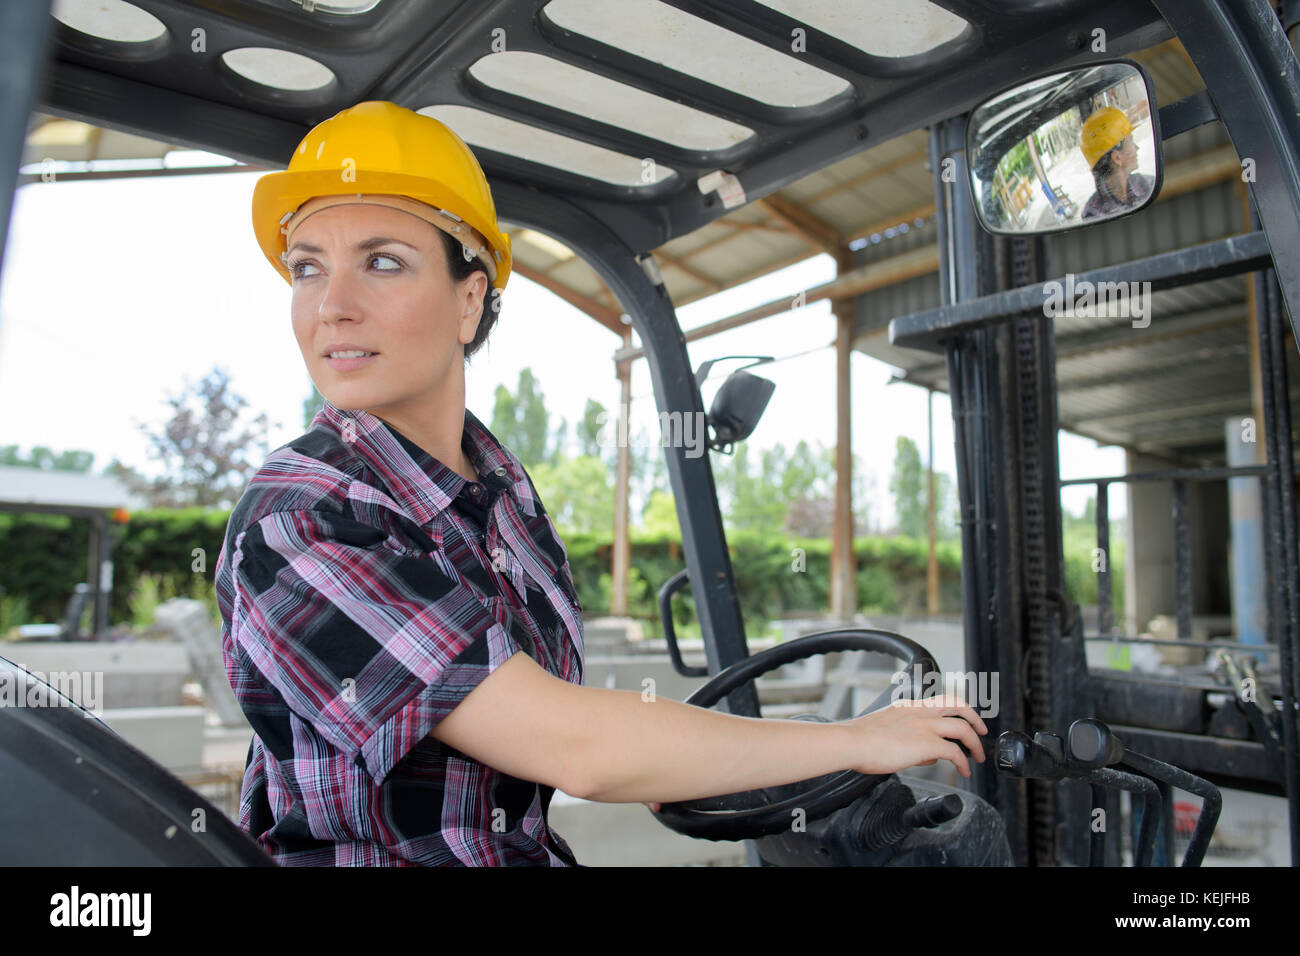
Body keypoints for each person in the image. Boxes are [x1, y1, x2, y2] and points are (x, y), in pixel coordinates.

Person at [215, 100, 988, 867]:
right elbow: (574, 745)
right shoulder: (300, 518)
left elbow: (565, 743)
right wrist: (854, 740)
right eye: (307, 268)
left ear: (469, 299)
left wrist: (679, 753)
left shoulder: (502, 493)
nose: (332, 307)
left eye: (381, 262)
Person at [1079, 105, 1154, 219]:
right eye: (1131, 141)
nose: (1137, 147)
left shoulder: (1148, 184)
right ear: (1117, 158)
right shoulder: (1093, 214)